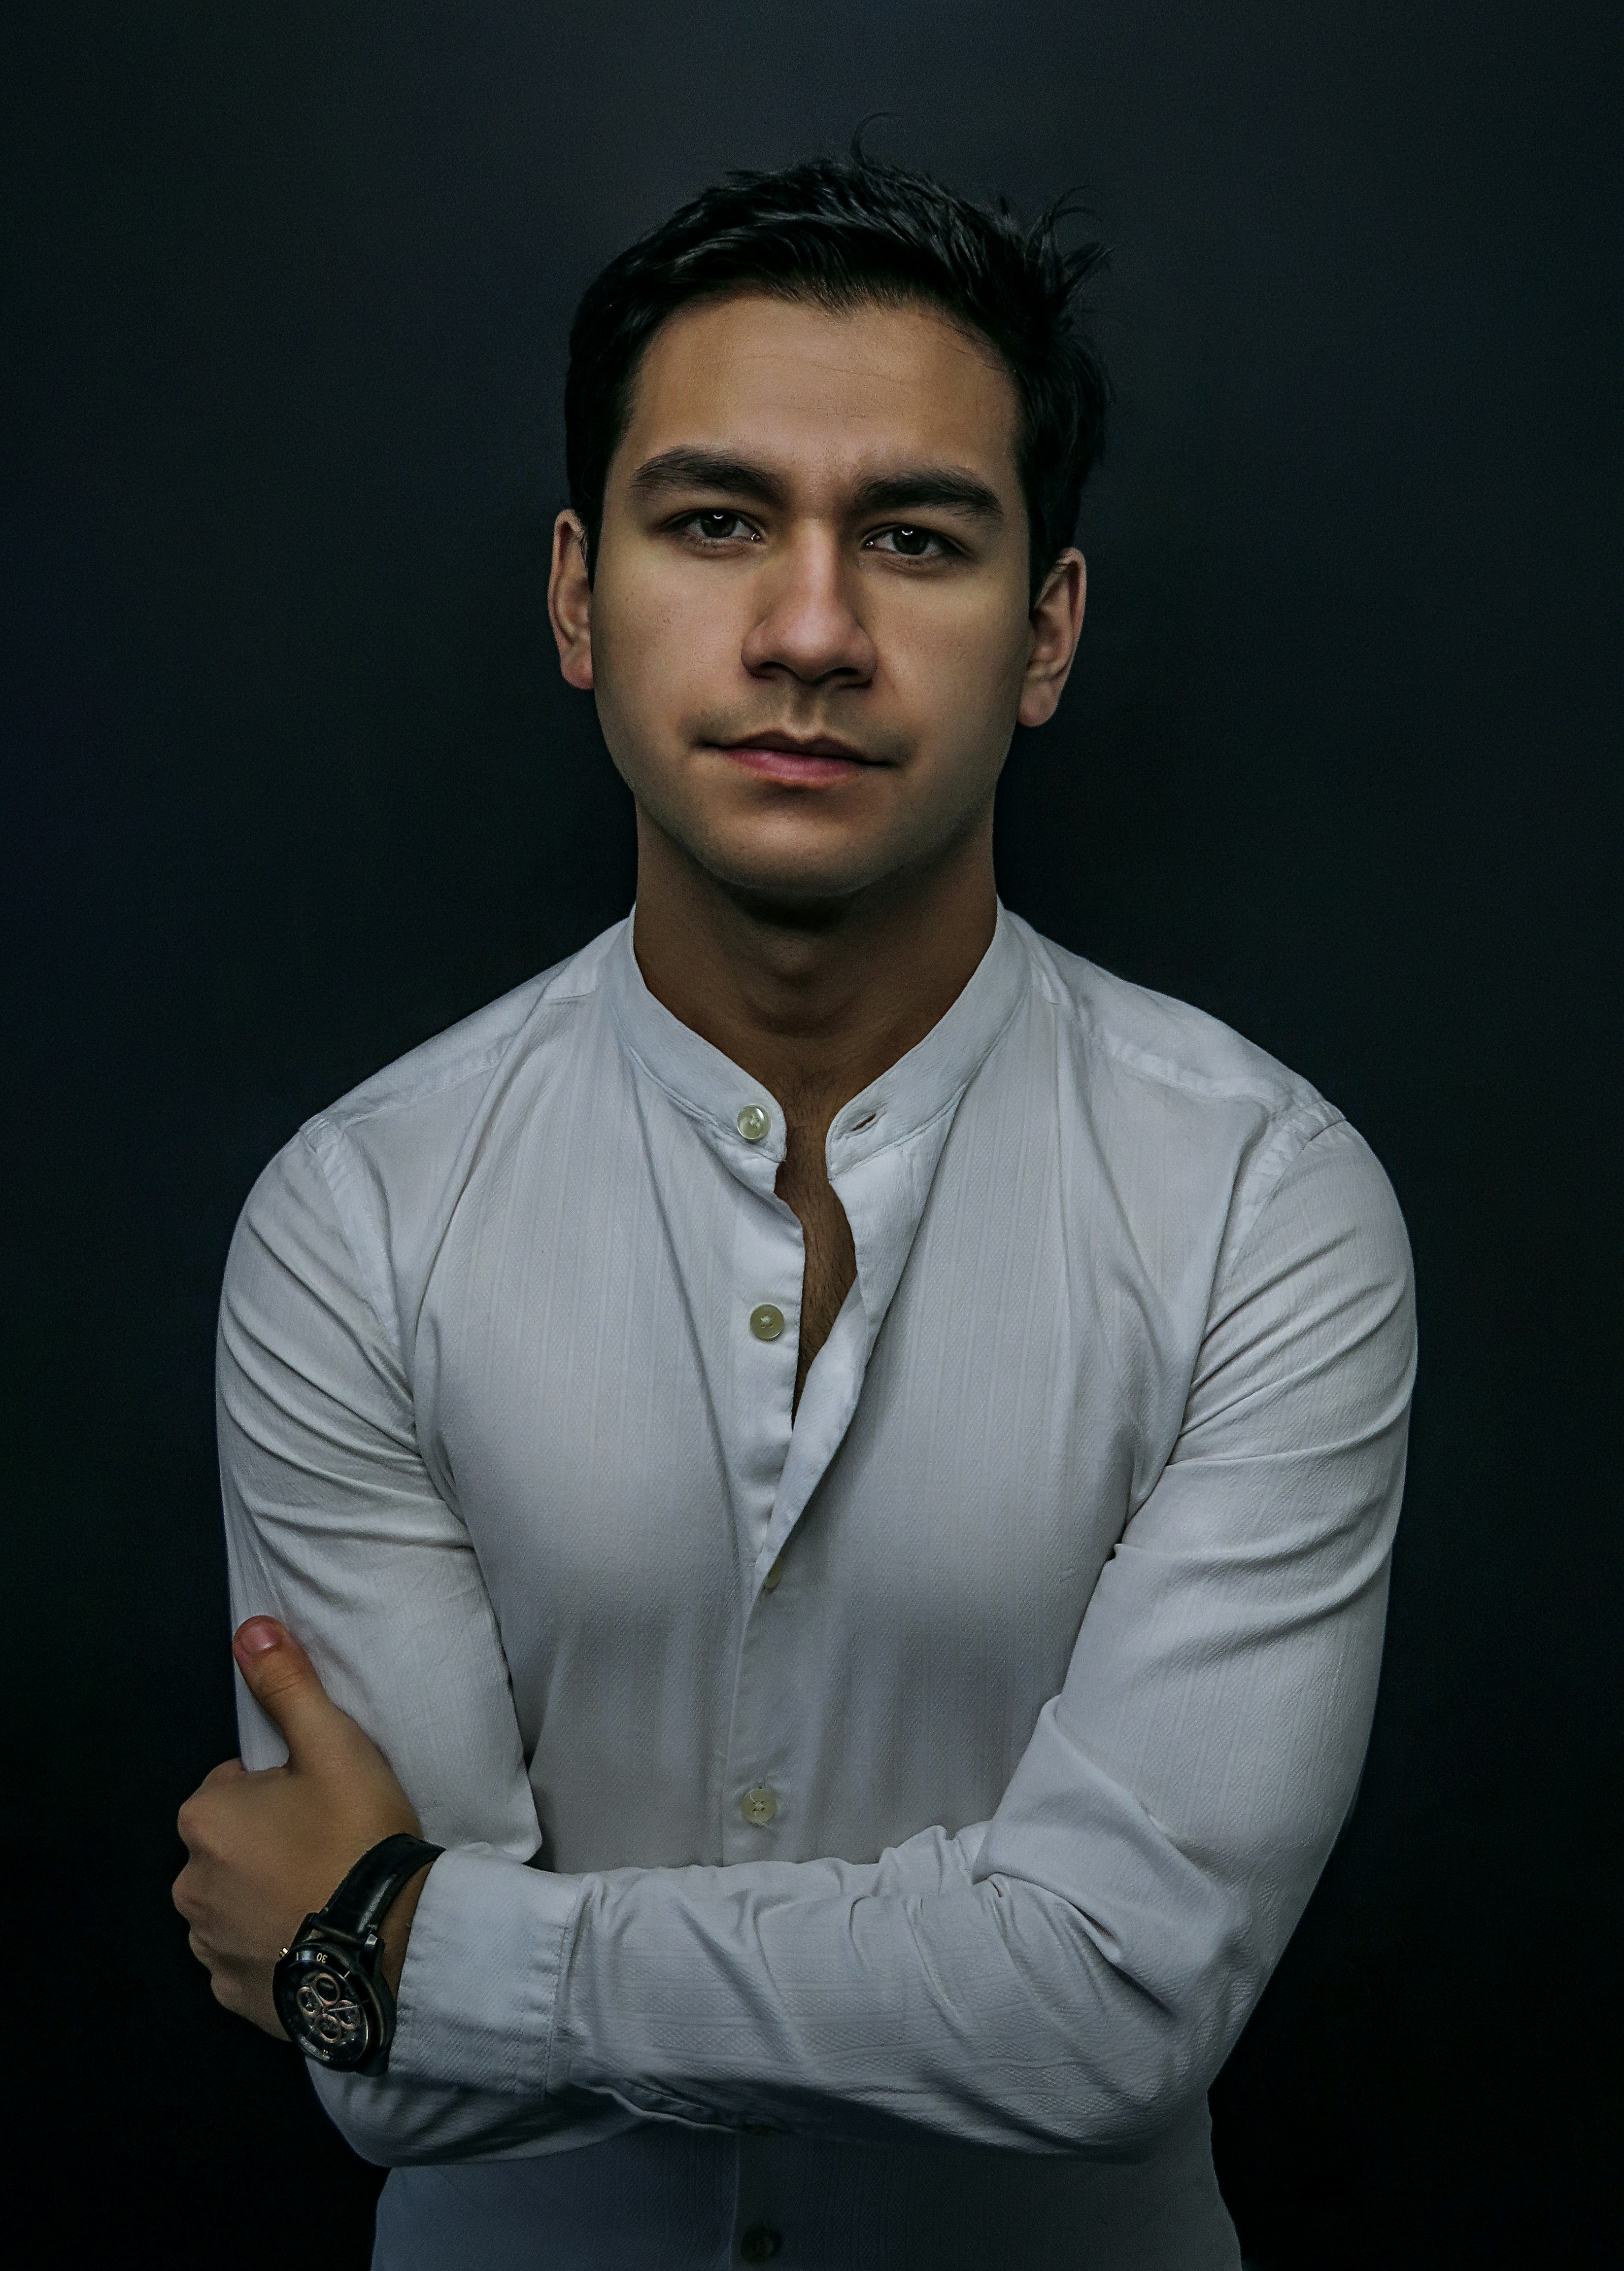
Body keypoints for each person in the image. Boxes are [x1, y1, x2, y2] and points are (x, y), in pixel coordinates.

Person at [173, 154, 1415, 2271]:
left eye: (915, 538)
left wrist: (426, 1941)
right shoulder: (356, 1218)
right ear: (580, 598)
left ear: (1049, 630)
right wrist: (401, 1978)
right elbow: (388, 2074)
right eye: (717, 519)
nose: (814, 630)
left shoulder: (1263, 1207)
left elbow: (1122, 2011)